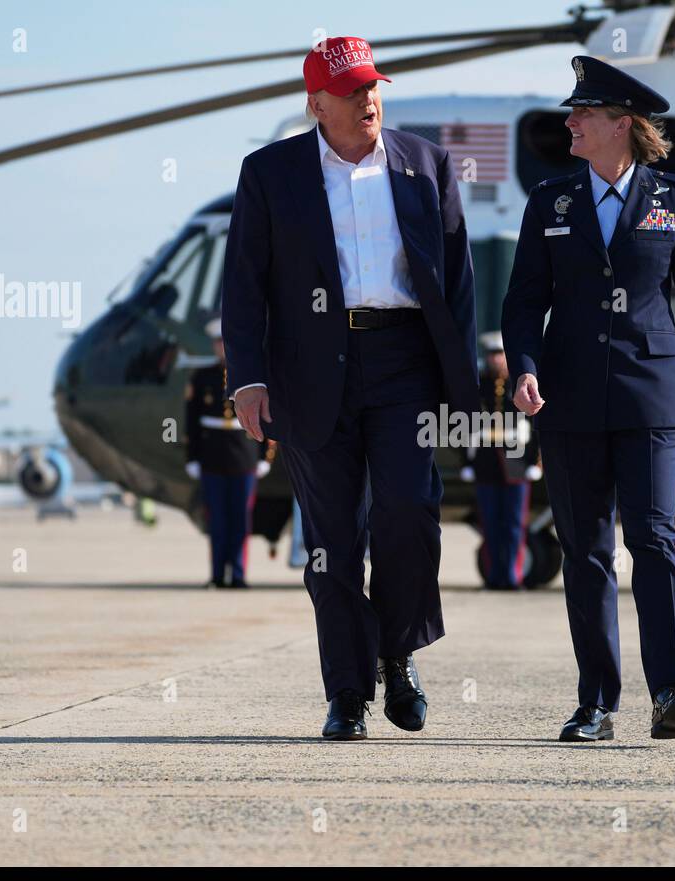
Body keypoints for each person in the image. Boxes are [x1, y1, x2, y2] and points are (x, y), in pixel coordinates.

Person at [221, 37, 479, 740]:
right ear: (316, 103)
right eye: (350, 90)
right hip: (310, 370)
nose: (368, 98)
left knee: (406, 513)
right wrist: (246, 380)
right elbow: (242, 286)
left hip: (405, 362)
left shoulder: (425, 164)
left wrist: (463, 386)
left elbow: (456, 281)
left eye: (373, 86)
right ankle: (347, 694)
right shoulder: (270, 173)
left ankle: (398, 653)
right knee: (331, 541)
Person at [502, 56, 675, 743]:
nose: (570, 121)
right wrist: (522, 368)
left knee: (652, 539)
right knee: (584, 551)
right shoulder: (550, 199)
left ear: (623, 124)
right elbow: (524, 302)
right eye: (572, 112)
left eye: (584, 113)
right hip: (569, 399)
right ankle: (597, 704)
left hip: (650, 396)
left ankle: (671, 688)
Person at [184, 316, 268, 588]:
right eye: (218, 343)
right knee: (217, 521)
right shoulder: (202, 377)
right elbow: (191, 421)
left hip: (244, 455)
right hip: (212, 455)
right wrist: (193, 457)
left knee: (241, 521)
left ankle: (239, 575)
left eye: (225, 342)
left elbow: (266, 416)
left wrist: (265, 456)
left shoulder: (252, 376)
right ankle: (218, 575)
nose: (222, 348)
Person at [461, 331, 542, 590]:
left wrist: (535, 462)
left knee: (515, 525)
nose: (496, 360)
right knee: (490, 524)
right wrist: (468, 463)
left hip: (516, 462)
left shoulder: (520, 386)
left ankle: (512, 577)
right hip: (485, 462)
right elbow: (465, 426)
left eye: (500, 354)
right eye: (492, 354)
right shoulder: (479, 386)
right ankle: (494, 577)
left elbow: (535, 428)